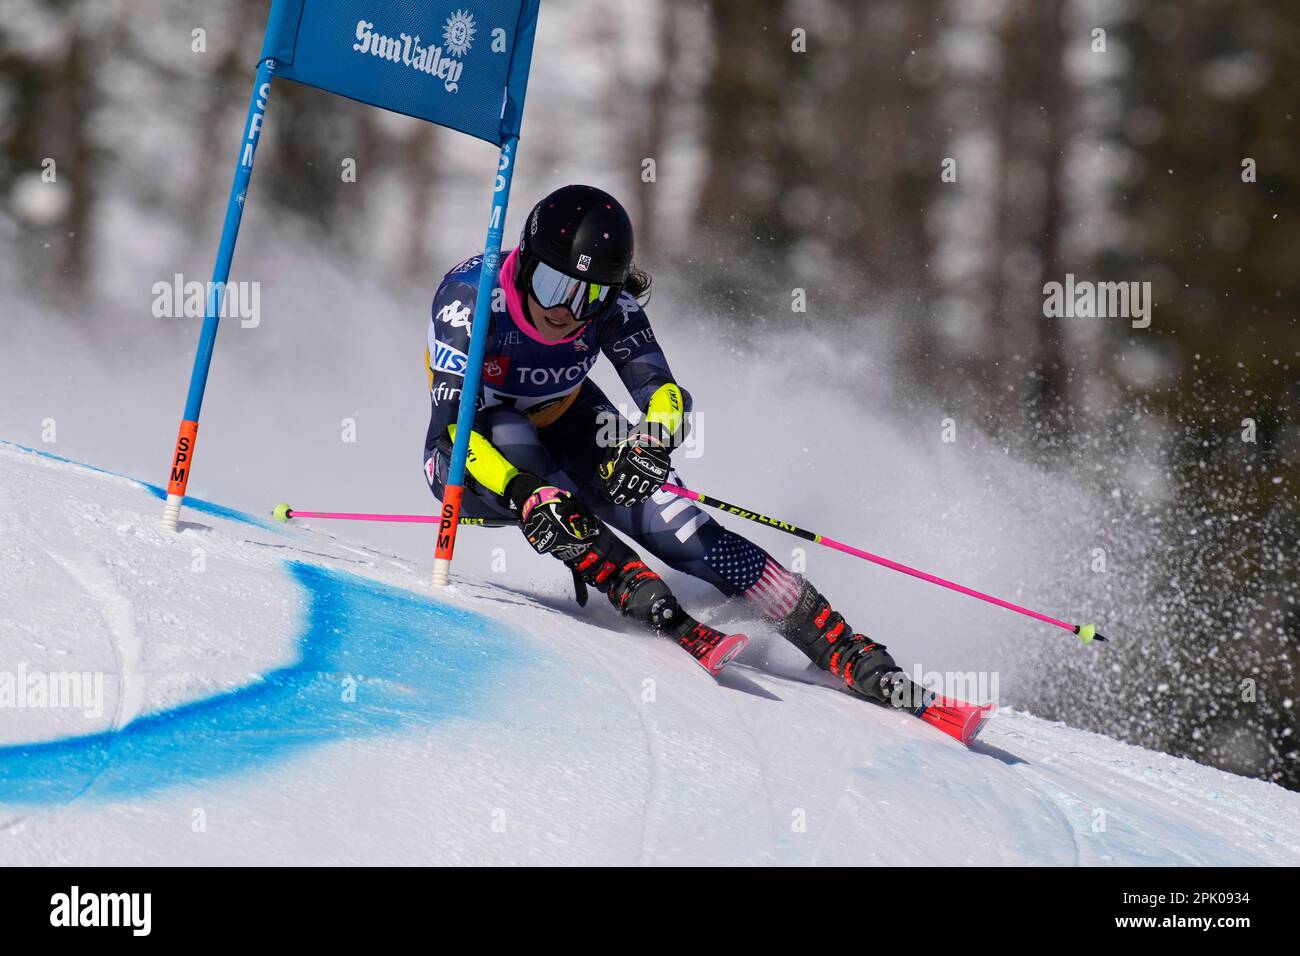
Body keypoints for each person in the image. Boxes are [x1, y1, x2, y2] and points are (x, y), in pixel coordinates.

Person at [423, 184, 920, 708]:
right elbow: (455, 428)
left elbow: (663, 394)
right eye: (552, 285)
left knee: (685, 532)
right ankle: (621, 576)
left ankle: (837, 642)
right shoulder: (470, 301)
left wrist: (650, 443)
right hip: (468, 458)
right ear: (524, 263)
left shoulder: (613, 309)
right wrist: (522, 489)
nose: (565, 309)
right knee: (514, 440)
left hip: (569, 420)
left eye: (587, 295)